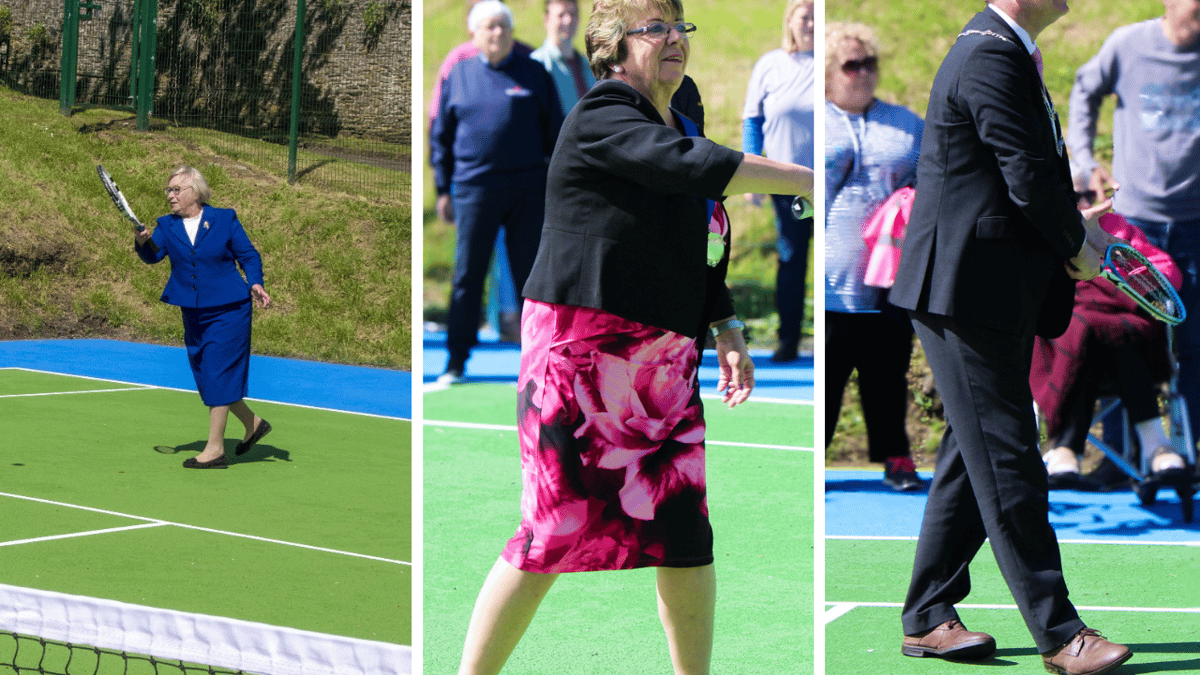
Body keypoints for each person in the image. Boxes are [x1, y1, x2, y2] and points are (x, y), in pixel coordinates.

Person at [454, 0, 814, 672]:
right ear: (614, 47)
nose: (675, 38)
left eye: (680, 26)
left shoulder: (685, 109)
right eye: (656, 28)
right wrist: (804, 180)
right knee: (551, 528)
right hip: (579, 350)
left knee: (684, 532)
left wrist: (725, 321)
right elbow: (685, 166)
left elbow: (700, 227)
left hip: (662, 361)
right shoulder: (604, 111)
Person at [888, 1, 1134, 673]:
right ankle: (1060, 633)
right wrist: (1076, 240)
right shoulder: (992, 52)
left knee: (974, 458)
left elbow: (1014, 175)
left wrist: (1071, 221)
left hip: (984, 288)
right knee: (1008, 457)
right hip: (964, 292)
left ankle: (928, 612)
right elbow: (1024, 173)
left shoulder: (1002, 48)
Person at [1067, 0, 1200, 471]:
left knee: (1194, 346)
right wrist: (1082, 162)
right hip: (1135, 221)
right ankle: (1120, 455)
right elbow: (1084, 90)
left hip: (1195, 223)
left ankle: (1187, 451)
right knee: (1126, 334)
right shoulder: (1129, 45)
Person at [430, 0, 564, 384]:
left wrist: (553, 186)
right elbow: (442, 137)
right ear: (474, 33)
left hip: (528, 190)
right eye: (489, 27)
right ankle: (456, 360)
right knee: (467, 275)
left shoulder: (534, 72)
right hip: (474, 190)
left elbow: (555, 132)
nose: (497, 33)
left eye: (504, 26)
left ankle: (539, 362)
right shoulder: (459, 74)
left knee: (532, 278)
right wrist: (443, 189)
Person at [823, 21, 924, 492]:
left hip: (888, 279)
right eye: (850, 65)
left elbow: (935, 182)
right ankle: (813, 461)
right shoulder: (815, 122)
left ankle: (896, 456)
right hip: (829, 282)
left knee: (887, 374)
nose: (862, 73)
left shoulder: (906, 125)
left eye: (870, 64)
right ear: (828, 71)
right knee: (827, 384)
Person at [1031, 213, 1186, 486]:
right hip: (1067, 332)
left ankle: (1066, 448)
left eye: (1090, 195)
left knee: (1108, 327)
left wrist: (1121, 271)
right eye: (1076, 194)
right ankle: (1155, 444)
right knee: (1081, 327)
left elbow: (1166, 276)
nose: (1083, 203)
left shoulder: (1117, 229)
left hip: (1123, 333)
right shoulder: (1044, 225)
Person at [135, 166, 273, 469]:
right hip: (193, 311)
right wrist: (143, 241)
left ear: (194, 192)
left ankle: (215, 450)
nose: (170, 195)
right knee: (205, 372)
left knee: (216, 371)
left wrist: (255, 282)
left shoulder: (224, 219)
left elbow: (248, 255)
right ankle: (254, 424)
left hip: (230, 309)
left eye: (176, 189)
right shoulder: (167, 226)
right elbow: (153, 256)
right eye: (168, 190)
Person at [741, 0, 815, 364]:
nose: (812, 23)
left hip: (834, 185)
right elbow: (752, 121)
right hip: (790, 189)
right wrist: (753, 176)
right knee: (792, 260)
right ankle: (788, 339)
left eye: (818, 15)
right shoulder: (771, 65)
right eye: (805, 16)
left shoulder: (832, 65)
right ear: (790, 21)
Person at [531, 0, 595, 115]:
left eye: (573, 14)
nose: (568, 20)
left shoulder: (587, 64)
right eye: (561, 15)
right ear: (546, 20)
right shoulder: (536, 63)